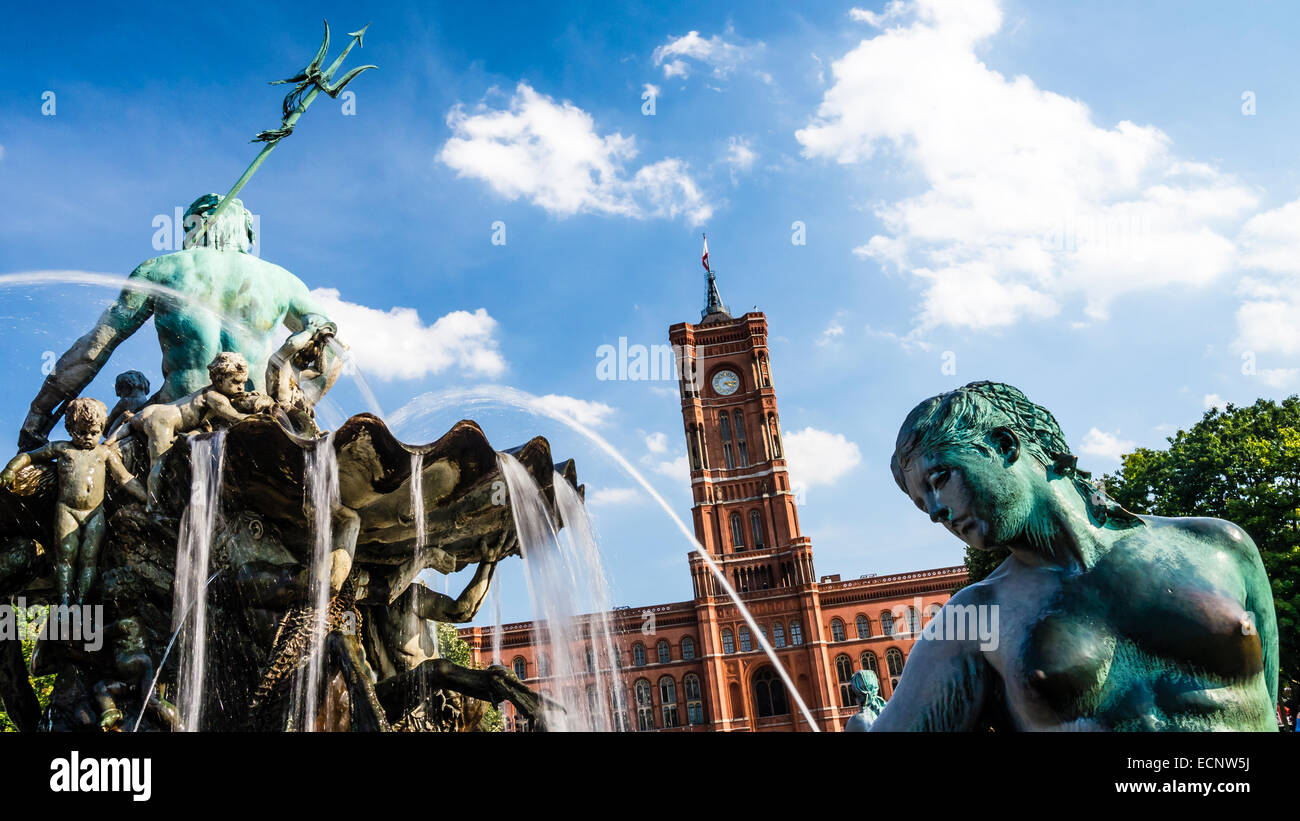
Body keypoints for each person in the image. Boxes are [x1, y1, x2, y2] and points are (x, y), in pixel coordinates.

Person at [876, 381, 1278, 731]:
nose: (934, 512)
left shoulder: (1220, 545)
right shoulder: (975, 620)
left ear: (1004, 445)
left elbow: (1268, 700)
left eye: (939, 478)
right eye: (920, 502)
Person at [19, 193, 335, 450]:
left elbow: (92, 350)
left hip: (179, 418)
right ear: (246, 232)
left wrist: (39, 414)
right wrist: (302, 397)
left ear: (195, 227)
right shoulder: (282, 281)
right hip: (260, 417)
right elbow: (331, 346)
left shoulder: (161, 270)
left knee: (103, 451)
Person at [0, 398, 146, 605]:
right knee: (65, 557)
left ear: (102, 428)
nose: (88, 437)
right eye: (82, 432)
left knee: (89, 559)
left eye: (95, 433)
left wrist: (147, 497)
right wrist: (10, 470)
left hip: (95, 512)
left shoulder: (104, 453)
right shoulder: (62, 449)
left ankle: (80, 602)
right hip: (67, 510)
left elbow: (125, 478)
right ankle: (64, 601)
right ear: (70, 429)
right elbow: (29, 457)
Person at [110, 352, 274, 509]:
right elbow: (234, 416)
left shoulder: (209, 392)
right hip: (164, 421)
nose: (241, 388)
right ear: (219, 378)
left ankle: (109, 443)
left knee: (125, 432)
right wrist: (262, 418)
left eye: (243, 383)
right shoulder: (214, 397)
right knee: (159, 463)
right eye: (236, 382)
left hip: (154, 411)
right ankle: (153, 507)